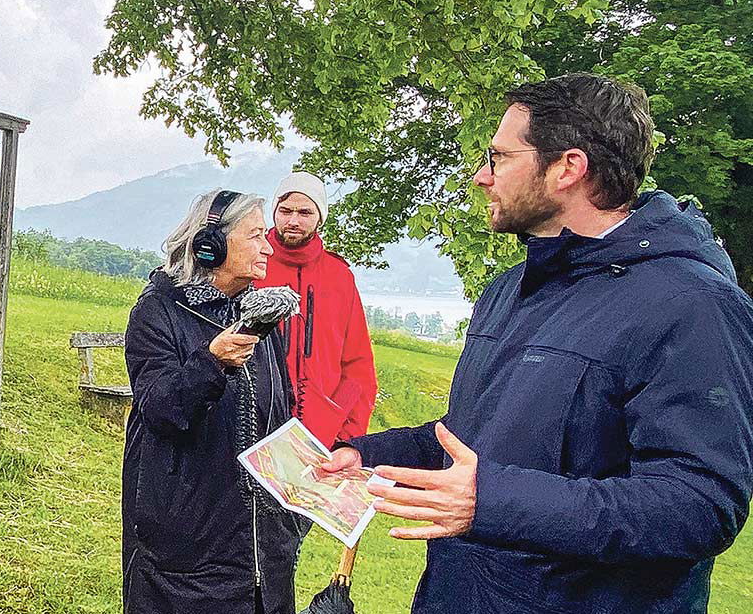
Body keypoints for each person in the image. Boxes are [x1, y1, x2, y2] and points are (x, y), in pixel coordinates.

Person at [321, 73, 753, 612]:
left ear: (567, 168)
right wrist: (364, 455)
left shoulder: (692, 302)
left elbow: (698, 505)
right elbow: (474, 440)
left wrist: (492, 502)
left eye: (499, 157)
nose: (482, 176)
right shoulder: (510, 290)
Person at [122, 189, 307, 614]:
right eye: (256, 235)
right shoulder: (157, 312)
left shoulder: (259, 315)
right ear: (212, 245)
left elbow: (279, 411)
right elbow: (161, 410)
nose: (268, 246)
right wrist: (211, 362)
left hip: (261, 550)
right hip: (185, 553)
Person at [257, 171, 376, 447]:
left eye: (305, 212)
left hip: (323, 435)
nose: (294, 220)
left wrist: (347, 437)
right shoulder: (252, 265)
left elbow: (359, 366)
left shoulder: (339, 276)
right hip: (258, 426)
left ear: (320, 217)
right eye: (285, 211)